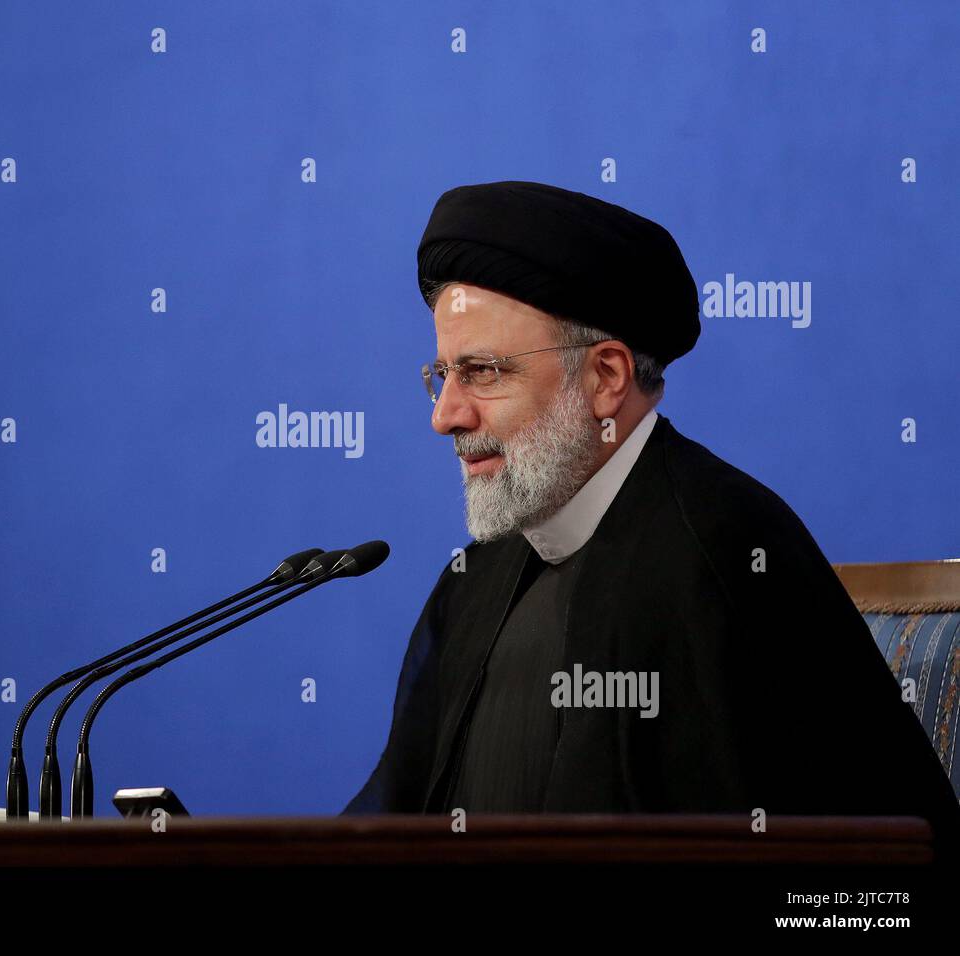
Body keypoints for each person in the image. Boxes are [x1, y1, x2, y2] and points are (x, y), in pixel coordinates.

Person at [341, 181, 960, 855]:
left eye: (484, 372)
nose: (445, 416)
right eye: (442, 375)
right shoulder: (478, 577)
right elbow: (393, 832)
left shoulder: (724, 557)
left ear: (606, 377)